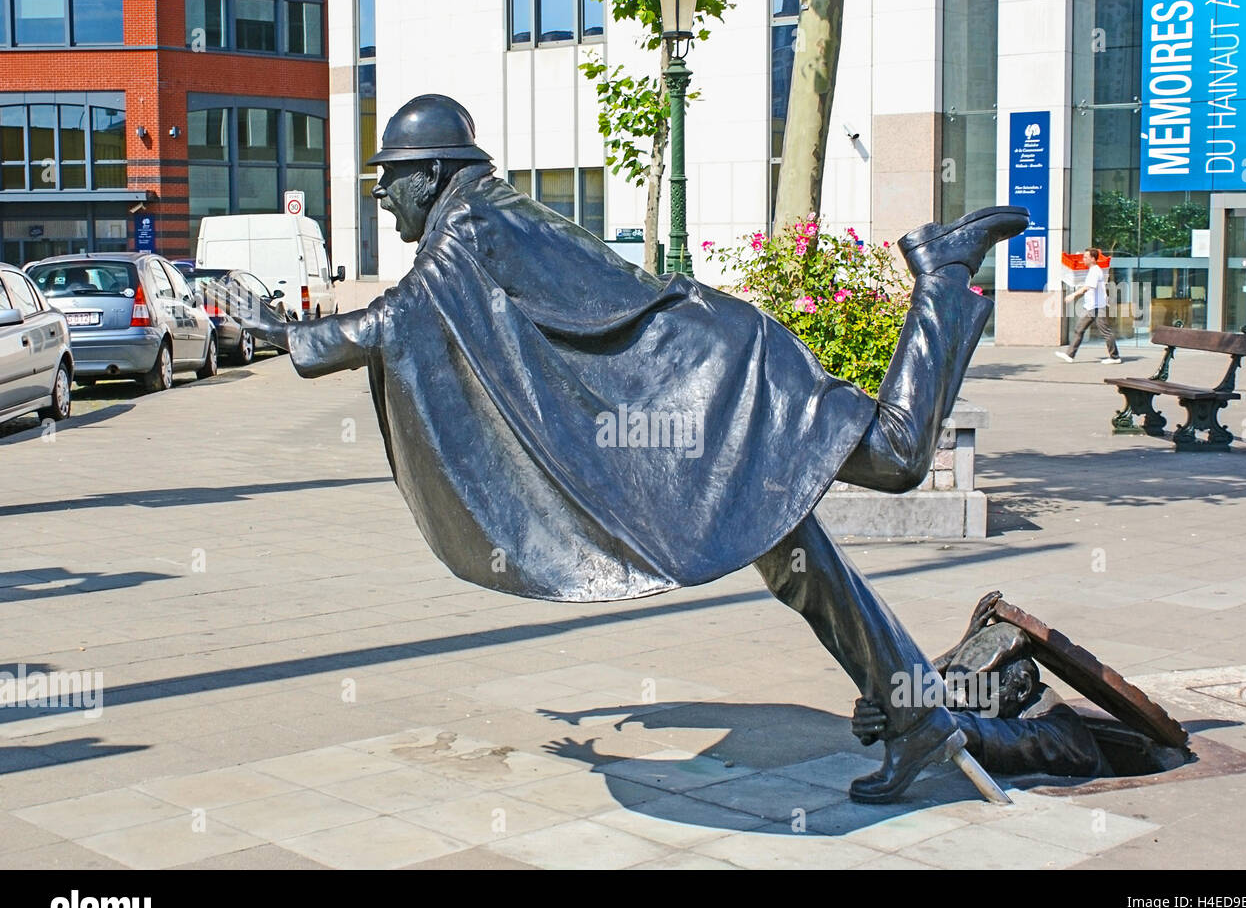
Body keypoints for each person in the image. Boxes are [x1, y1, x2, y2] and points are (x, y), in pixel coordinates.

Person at [235, 94, 1029, 804]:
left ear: (434, 173)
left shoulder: (471, 224)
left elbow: (397, 317)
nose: (382, 193)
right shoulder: (475, 220)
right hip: (693, 391)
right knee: (802, 567)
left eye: (392, 175)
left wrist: (298, 334)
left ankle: (943, 276)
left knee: (894, 458)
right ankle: (917, 714)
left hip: (719, 382)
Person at [852, 592, 1108, 778]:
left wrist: (918, 718)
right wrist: (884, 708)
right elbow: (919, 694)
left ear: (1022, 687)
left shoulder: (1057, 735)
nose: (971, 700)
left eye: (984, 691)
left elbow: (991, 732)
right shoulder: (998, 699)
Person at [1056, 247, 1119, 364]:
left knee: (1106, 332)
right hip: (1090, 307)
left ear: (1093, 259)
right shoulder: (1092, 270)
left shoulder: (1095, 271)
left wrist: (1073, 295)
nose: (1083, 259)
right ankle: (1070, 355)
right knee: (1079, 329)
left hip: (1097, 307)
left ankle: (1115, 357)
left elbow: (1087, 287)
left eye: (1085, 257)